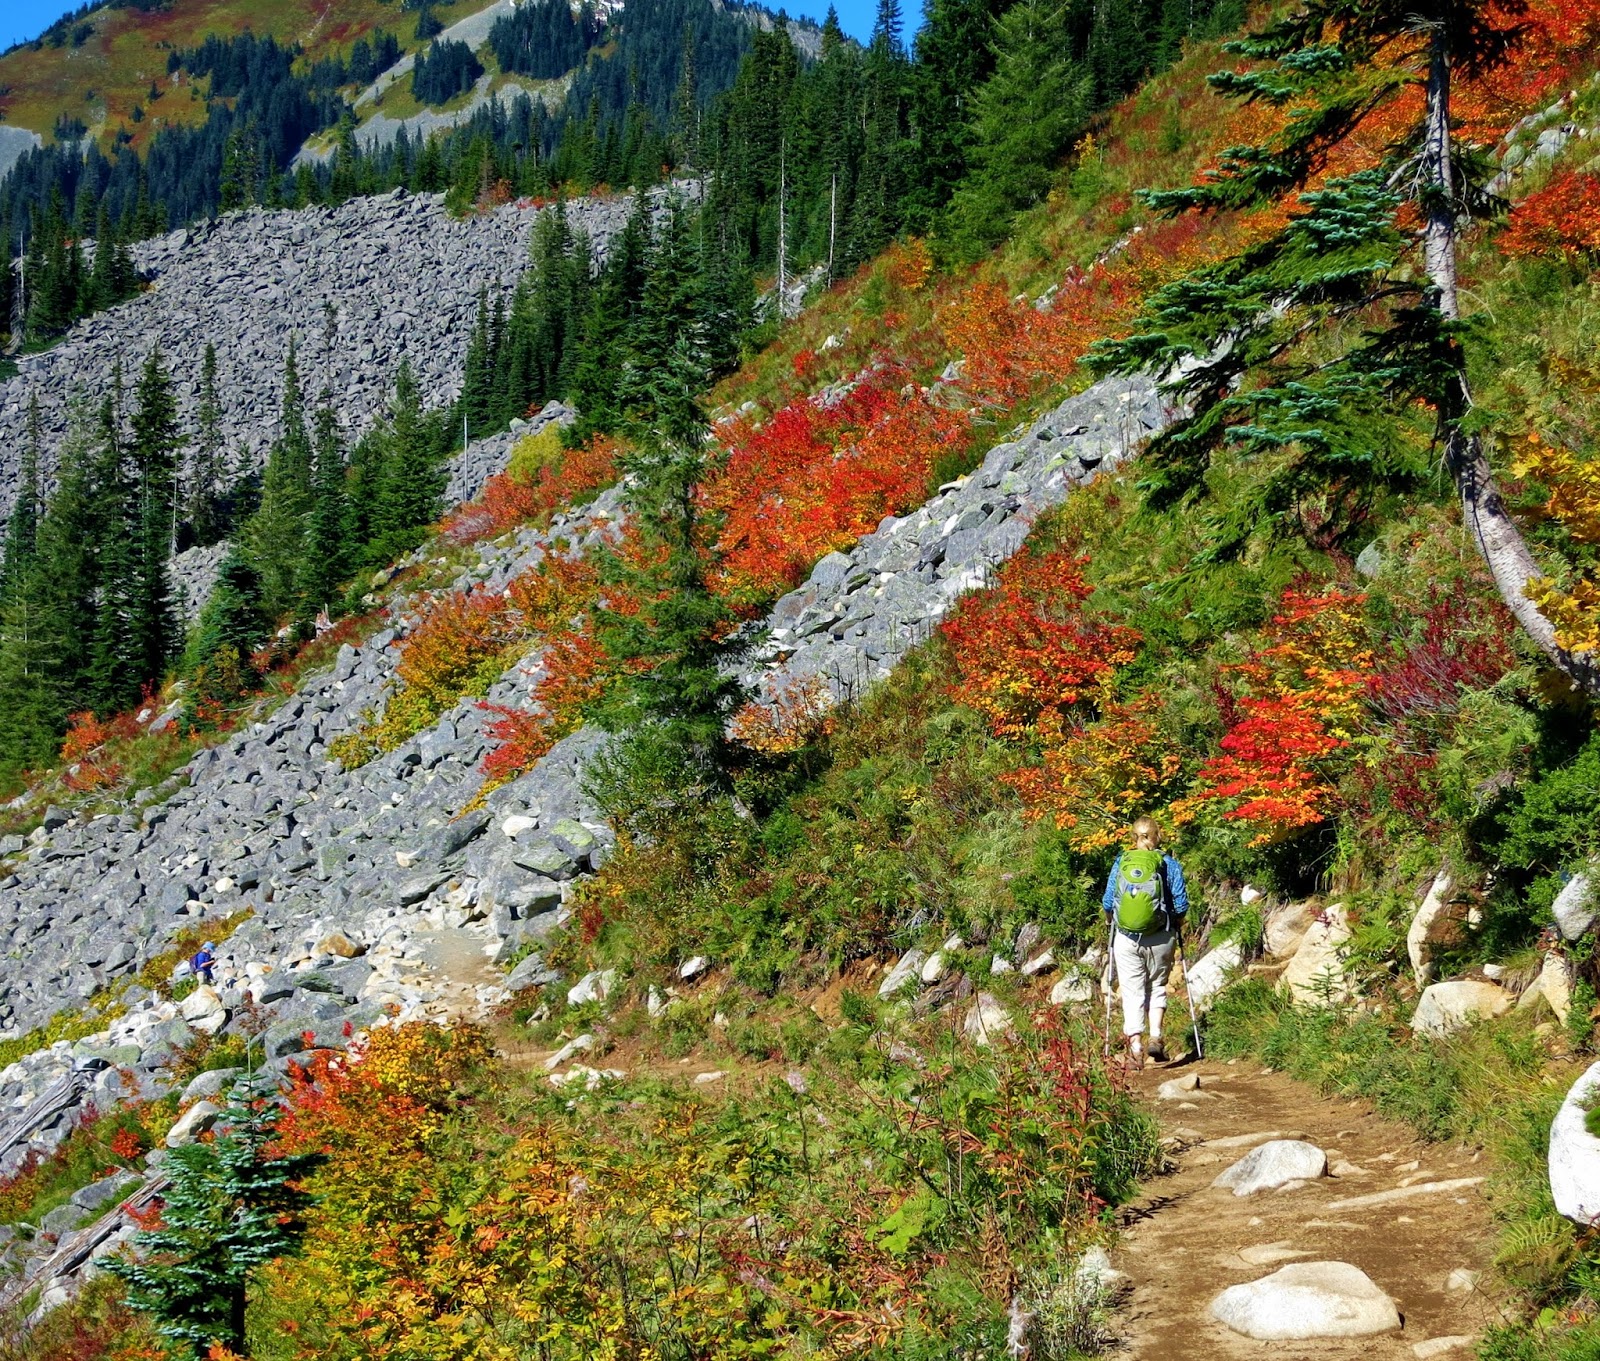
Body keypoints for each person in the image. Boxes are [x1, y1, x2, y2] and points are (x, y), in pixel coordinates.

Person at [1102, 816, 1189, 1069]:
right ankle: (1156, 1037)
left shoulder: (1122, 861)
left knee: (1131, 990)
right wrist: (1177, 923)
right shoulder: (1168, 863)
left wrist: (1111, 921)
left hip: (1127, 938)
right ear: (1157, 836)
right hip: (1161, 935)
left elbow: (1108, 902)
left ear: (1134, 838)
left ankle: (1135, 1047)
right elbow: (1181, 903)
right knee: (1157, 986)